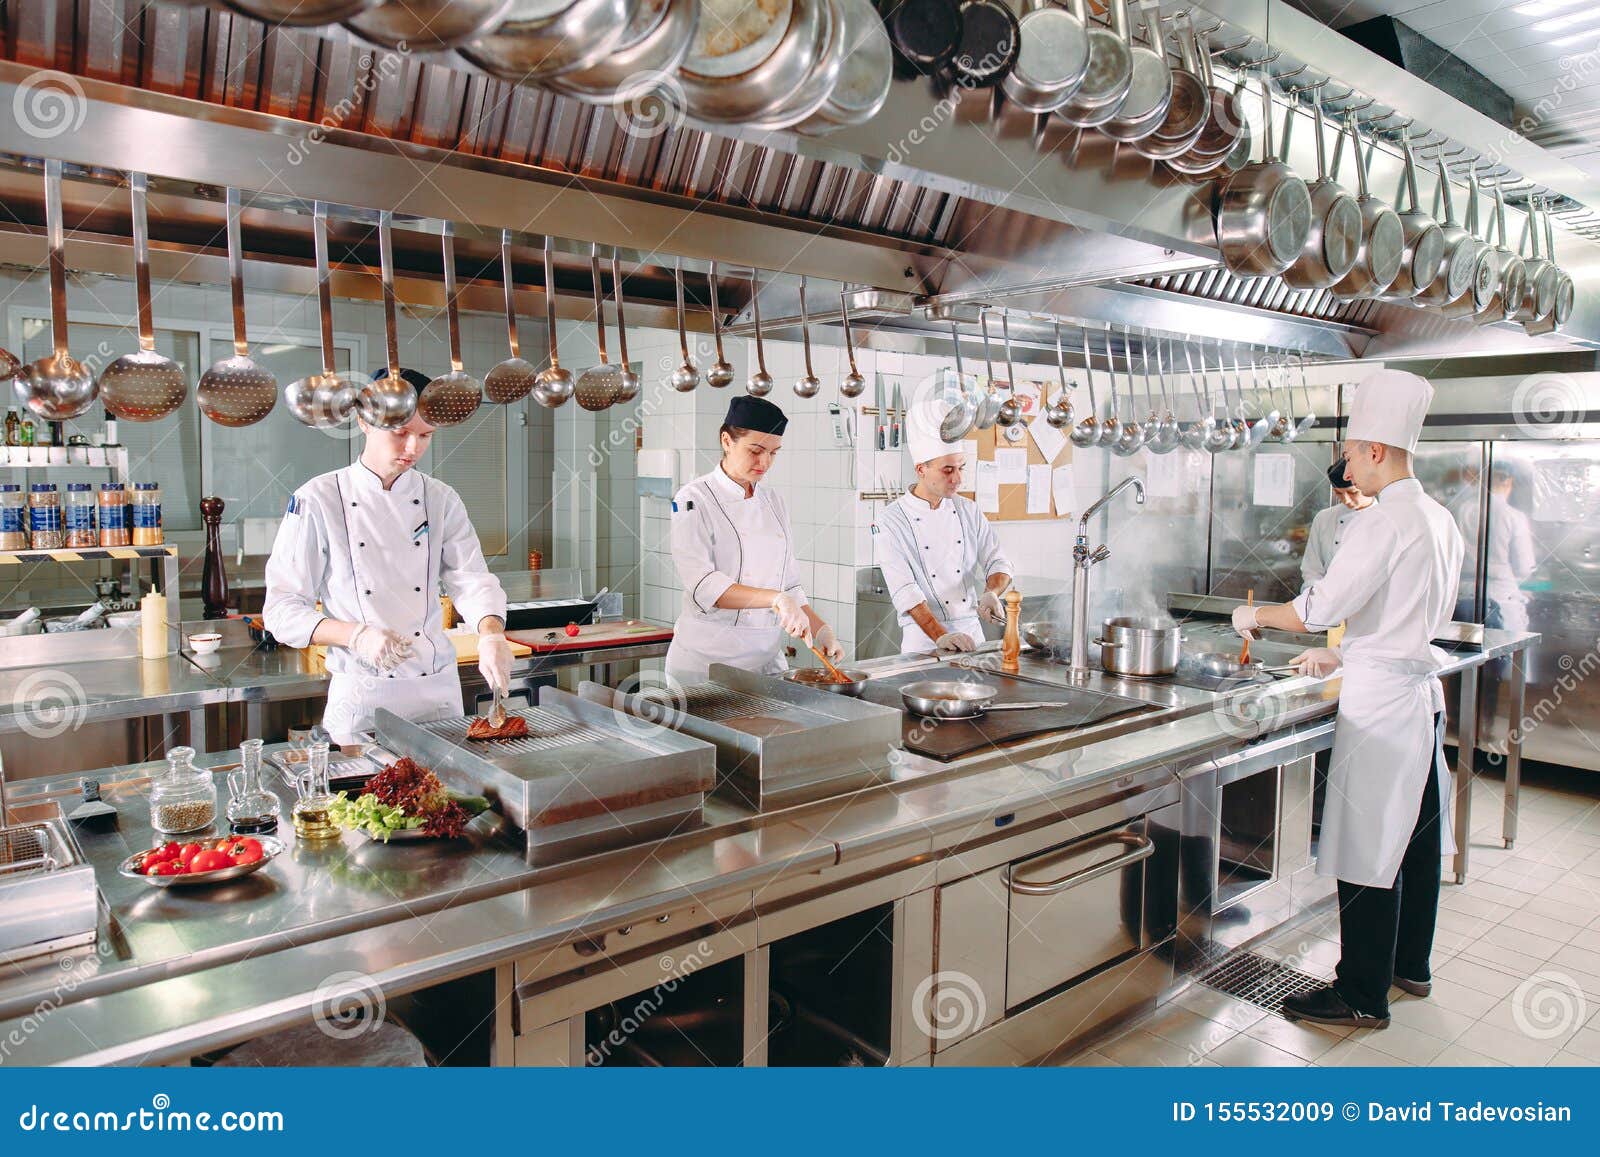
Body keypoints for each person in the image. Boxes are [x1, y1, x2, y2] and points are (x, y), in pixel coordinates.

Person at [1231, 369, 1464, 1030]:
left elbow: (1318, 608)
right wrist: (1355, 648)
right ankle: (1409, 966)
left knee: (1368, 849)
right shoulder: (1438, 518)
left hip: (1382, 705)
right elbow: (1404, 613)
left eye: (1354, 452)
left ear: (1377, 451)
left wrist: (1254, 618)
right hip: (1419, 697)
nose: (1348, 466)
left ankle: (1360, 992)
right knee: (1416, 841)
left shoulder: (1381, 520)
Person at [264, 368, 511, 744]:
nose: (413, 449)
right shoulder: (318, 499)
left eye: (425, 435)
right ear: (364, 422)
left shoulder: (440, 499)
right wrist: (356, 636)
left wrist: (491, 635)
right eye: (401, 433)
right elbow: (281, 611)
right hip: (363, 699)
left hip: (437, 695)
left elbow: (471, 580)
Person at [665, 395, 844, 684]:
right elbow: (704, 586)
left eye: (774, 453)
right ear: (727, 441)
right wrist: (776, 599)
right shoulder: (693, 499)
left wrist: (821, 629)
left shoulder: (773, 501)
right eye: (756, 450)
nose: (765, 462)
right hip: (707, 664)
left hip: (765, 661)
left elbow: (788, 584)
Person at [876, 417, 1013, 653]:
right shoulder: (891, 520)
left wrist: (992, 592)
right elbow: (905, 590)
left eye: (961, 468)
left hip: (973, 636)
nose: (957, 479)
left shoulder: (968, 510)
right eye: (948, 470)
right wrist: (941, 636)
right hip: (925, 643)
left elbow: (998, 561)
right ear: (921, 469)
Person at [1300, 459, 1373, 587]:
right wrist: (1316, 596)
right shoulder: (1324, 518)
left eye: (1352, 492)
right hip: (1323, 597)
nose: (1346, 500)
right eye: (1339, 493)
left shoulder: (1384, 520)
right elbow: (1311, 570)